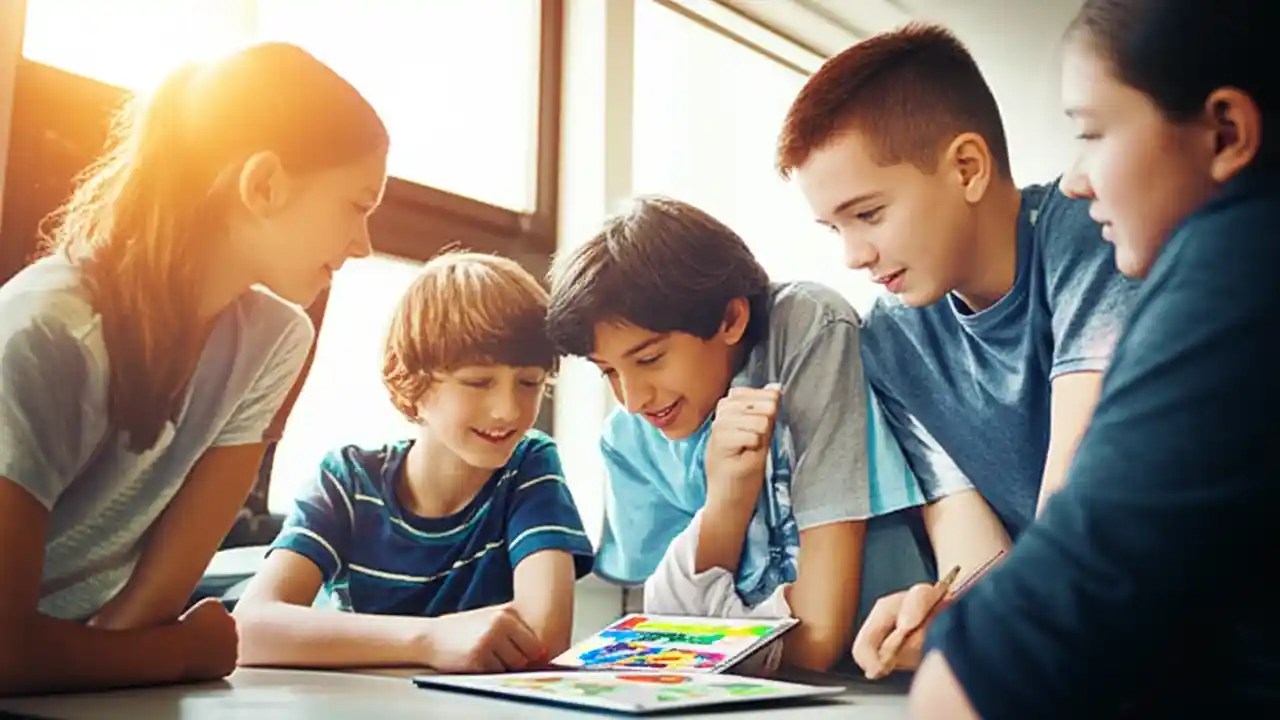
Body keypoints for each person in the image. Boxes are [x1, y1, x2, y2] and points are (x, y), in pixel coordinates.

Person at [909, 0, 1280, 716]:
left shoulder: (1239, 257)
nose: (1078, 181)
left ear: (1225, 132)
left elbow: (1018, 648)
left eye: (1093, 133)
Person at [0, 43, 387, 695]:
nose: (364, 245)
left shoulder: (276, 341)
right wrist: (177, 654)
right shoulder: (44, 333)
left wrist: (140, 657)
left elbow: (145, 609)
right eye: (357, 205)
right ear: (263, 184)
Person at [774, 23, 1138, 676]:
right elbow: (973, 548)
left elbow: (1076, 503)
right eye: (834, 227)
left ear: (967, 168)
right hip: (1071, 645)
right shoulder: (890, 340)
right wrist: (943, 617)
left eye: (869, 214)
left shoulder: (1095, 229)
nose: (853, 255)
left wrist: (992, 623)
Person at [546, 195, 959, 672]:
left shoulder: (803, 328)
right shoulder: (629, 438)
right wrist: (726, 501)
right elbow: (657, 640)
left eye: (649, 359)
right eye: (607, 372)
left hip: (876, 677)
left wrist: (708, 634)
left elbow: (819, 637)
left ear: (730, 320)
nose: (633, 398)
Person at [235, 251, 594, 673]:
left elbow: (544, 637)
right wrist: (428, 640)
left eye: (529, 383)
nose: (508, 410)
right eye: (478, 382)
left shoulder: (528, 465)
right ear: (413, 384)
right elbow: (248, 628)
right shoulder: (347, 481)